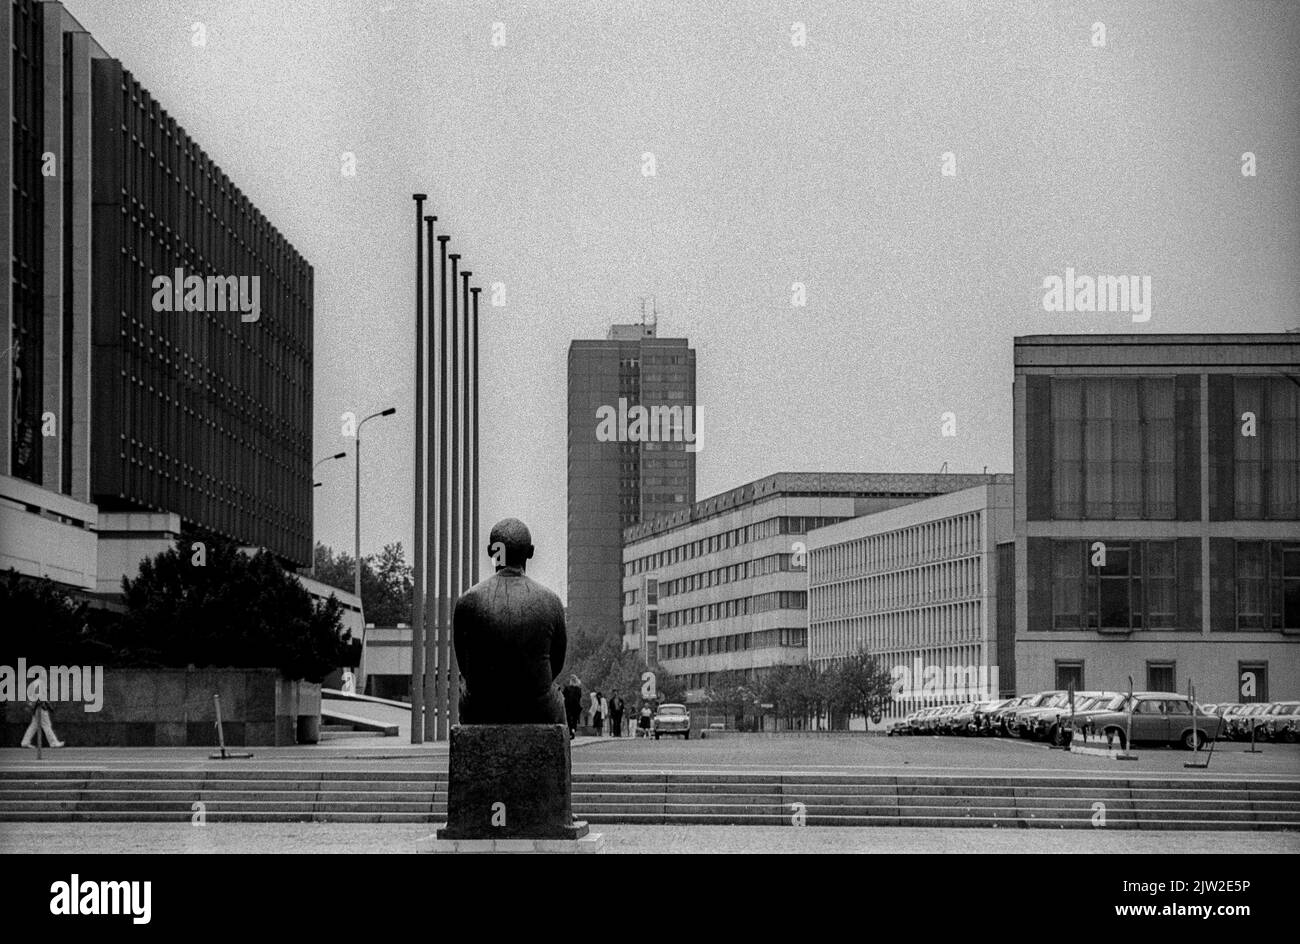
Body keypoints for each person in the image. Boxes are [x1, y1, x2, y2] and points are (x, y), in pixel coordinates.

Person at [452, 518, 567, 724]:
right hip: (537, 707)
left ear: (491, 551)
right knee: (556, 697)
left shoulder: (467, 601)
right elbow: (556, 663)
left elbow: (465, 664)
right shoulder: (551, 601)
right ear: (530, 552)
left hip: (482, 706)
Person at [21, 678, 64, 749]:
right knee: (46, 725)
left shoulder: (36, 683)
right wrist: (48, 706)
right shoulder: (39, 683)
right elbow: (39, 697)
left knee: (33, 726)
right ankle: (53, 743)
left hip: (37, 708)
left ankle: (25, 742)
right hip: (40, 708)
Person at [562, 674, 583, 739]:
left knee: (568, 719)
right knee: (575, 719)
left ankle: (571, 731)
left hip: (568, 706)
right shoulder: (579, 689)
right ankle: (573, 730)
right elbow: (579, 697)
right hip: (576, 706)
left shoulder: (567, 688)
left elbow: (563, 696)